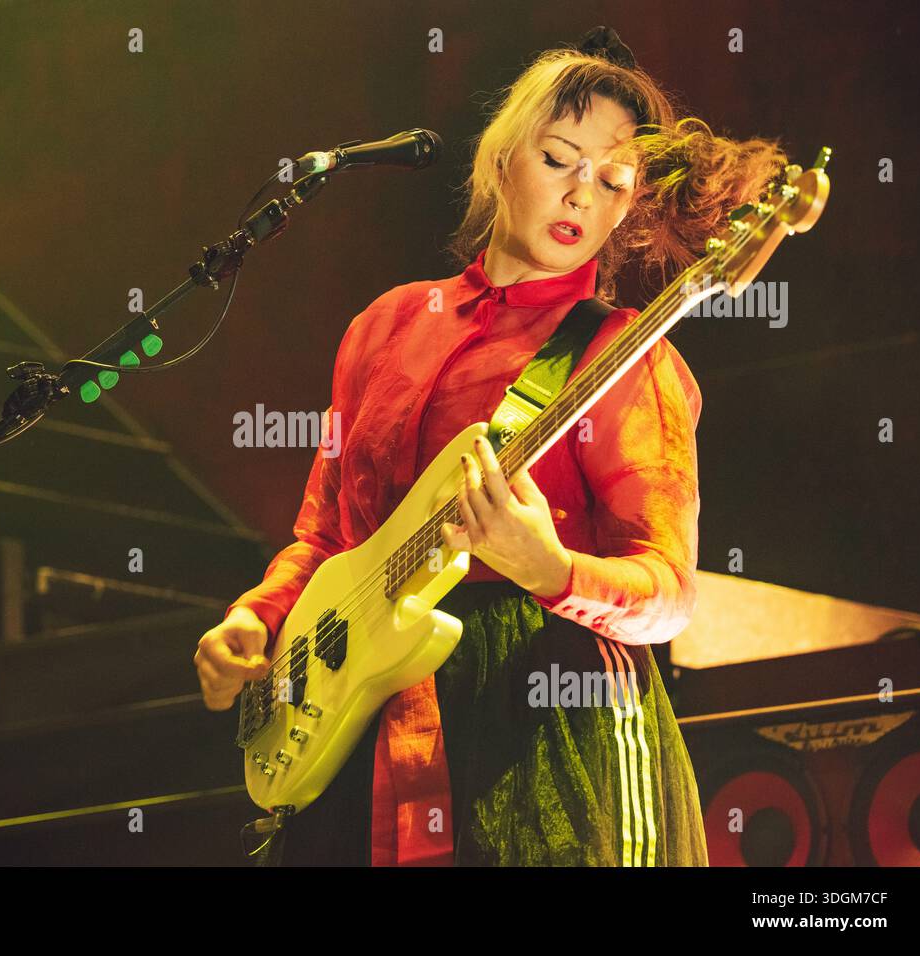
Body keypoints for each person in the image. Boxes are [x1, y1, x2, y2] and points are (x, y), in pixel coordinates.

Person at [194, 26, 785, 866]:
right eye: (558, 160)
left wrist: (550, 568)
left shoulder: (625, 357)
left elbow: (670, 593)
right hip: (363, 711)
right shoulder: (385, 326)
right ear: (500, 160)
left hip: (547, 718)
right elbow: (326, 538)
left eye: (612, 181)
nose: (582, 194)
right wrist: (254, 621)